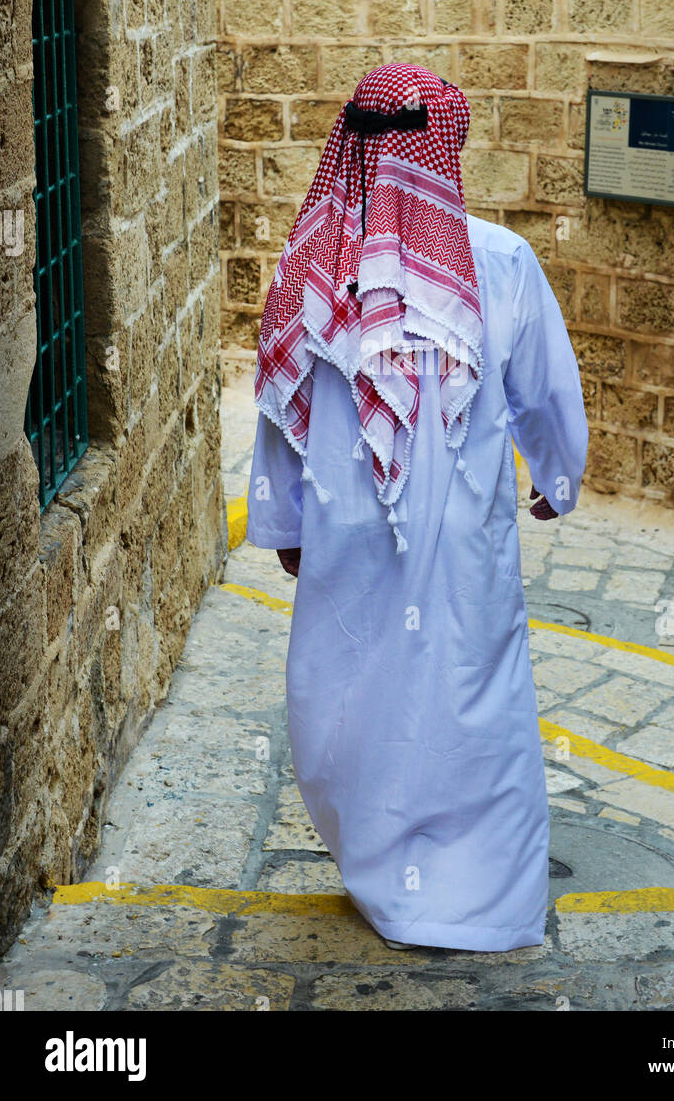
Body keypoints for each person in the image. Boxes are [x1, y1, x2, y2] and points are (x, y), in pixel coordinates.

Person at [247, 63, 588, 951]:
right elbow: (548, 394)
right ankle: (481, 897)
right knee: (468, 693)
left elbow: (280, 414)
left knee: (359, 696)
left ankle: (386, 877)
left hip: (346, 535)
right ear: (448, 149)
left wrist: (286, 524)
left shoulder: (311, 267)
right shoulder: (502, 262)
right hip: (463, 535)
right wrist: (557, 475)